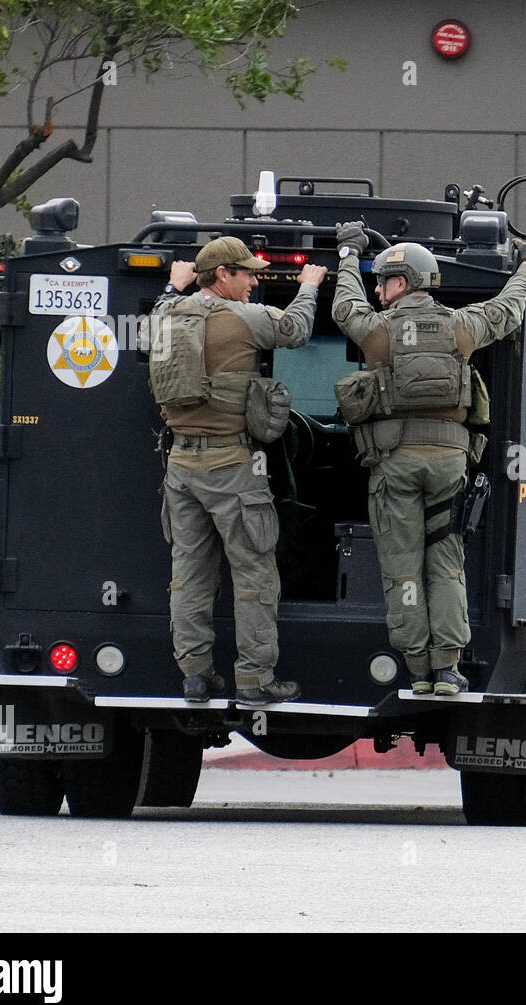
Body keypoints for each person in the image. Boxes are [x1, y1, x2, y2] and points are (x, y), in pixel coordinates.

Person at [331, 221, 526, 695]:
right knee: (445, 562)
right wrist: (524, 266)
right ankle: (449, 668)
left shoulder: (378, 332)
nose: (379, 289)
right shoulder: (461, 327)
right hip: (449, 464)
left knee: (403, 566)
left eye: (383, 279)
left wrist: (347, 255)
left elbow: (345, 308)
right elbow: (507, 310)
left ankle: (419, 671)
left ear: (403, 283)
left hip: (395, 464)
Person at [155, 236, 327, 705]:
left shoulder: (168, 315)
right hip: (231, 465)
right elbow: (295, 331)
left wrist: (175, 286)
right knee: (254, 573)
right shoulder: (244, 319)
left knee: (189, 575)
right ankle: (254, 681)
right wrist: (309, 286)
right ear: (223, 276)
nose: (255, 280)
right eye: (247, 272)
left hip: (180, 466)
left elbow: (160, 308)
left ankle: (195, 676)